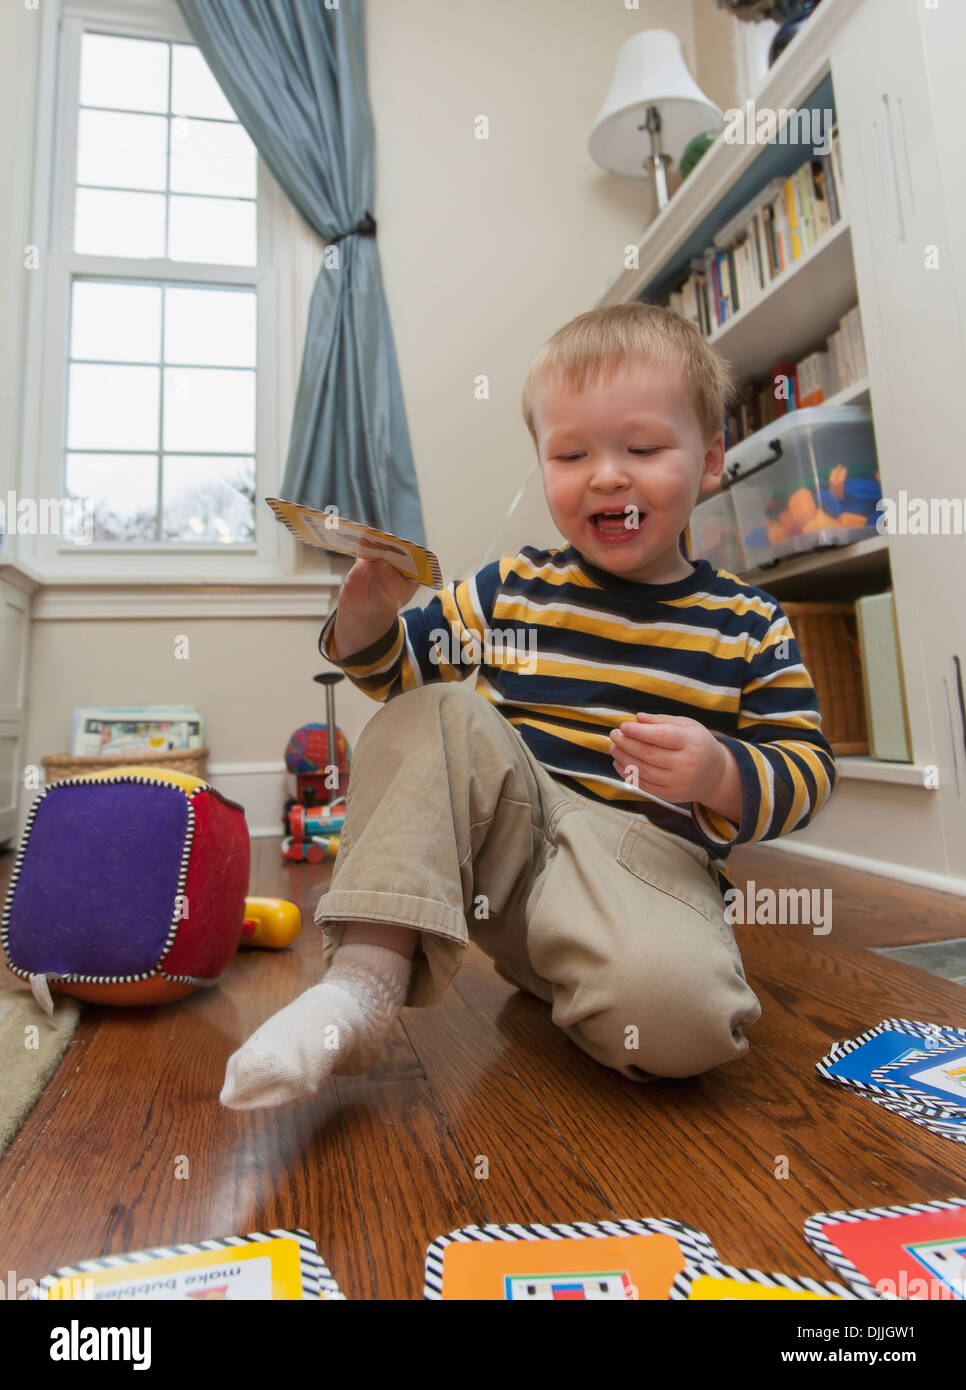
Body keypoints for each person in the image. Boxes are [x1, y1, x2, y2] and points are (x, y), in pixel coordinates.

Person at [220, 302, 838, 1109]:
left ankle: (575, 964)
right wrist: (369, 618)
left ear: (712, 458)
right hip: (507, 847)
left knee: (685, 1029)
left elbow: (806, 769)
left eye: (643, 448)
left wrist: (721, 771)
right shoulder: (512, 585)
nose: (606, 474)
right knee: (436, 709)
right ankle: (362, 986)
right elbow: (399, 681)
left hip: (639, 865)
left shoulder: (750, 625)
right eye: (571, 453)